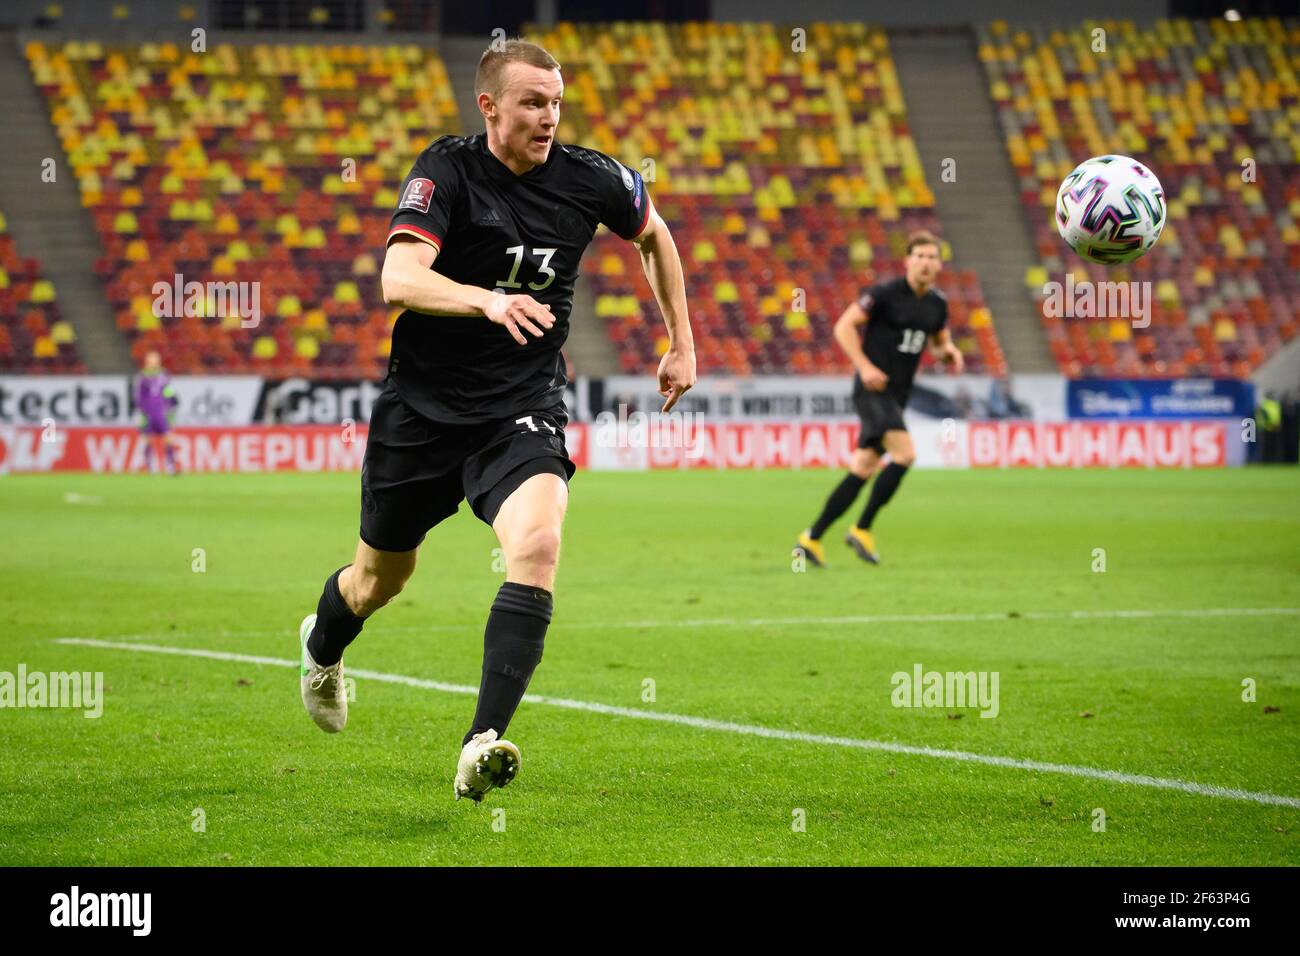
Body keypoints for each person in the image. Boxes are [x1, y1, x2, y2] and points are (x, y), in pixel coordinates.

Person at [297, 39, 696, 802]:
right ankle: (322, 647)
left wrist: (682, 339)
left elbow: (655, 235)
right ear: (490, 107)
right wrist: (485, 299)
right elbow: (398, 277)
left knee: (540, 541)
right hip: (420, 410)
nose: (550, 117)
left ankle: (481, 743)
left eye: (557, 102)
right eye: (532, 103)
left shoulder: (594, 177)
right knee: (379, 580)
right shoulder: (444, 170)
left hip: (521, 407)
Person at [796, 231, 963, 566]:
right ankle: (862, 528)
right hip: (872, 390)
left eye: (932, 257)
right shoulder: (885, 293)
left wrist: (950, 353)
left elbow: (939, 342)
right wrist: (864, 366)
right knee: (905, 454)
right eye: (920, 256)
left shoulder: (937, 304)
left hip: (898, 394)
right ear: (908, 261)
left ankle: (810, 539)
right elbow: (844, 326)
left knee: (863, 467)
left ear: (939, 263)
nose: (926, 263)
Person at [134, 350, 179, 475]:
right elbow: (139, 396)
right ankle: (150, 466)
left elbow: (168, 390)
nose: (154, 361)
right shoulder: (142, 377)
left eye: (156, 359)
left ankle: (170, 465)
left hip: (161, 412)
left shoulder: (164, 375)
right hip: (148, 412)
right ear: (147, 361)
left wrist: (171, 402)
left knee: (168, 438)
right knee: (148, 439)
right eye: (152, 359)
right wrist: (141, 412)